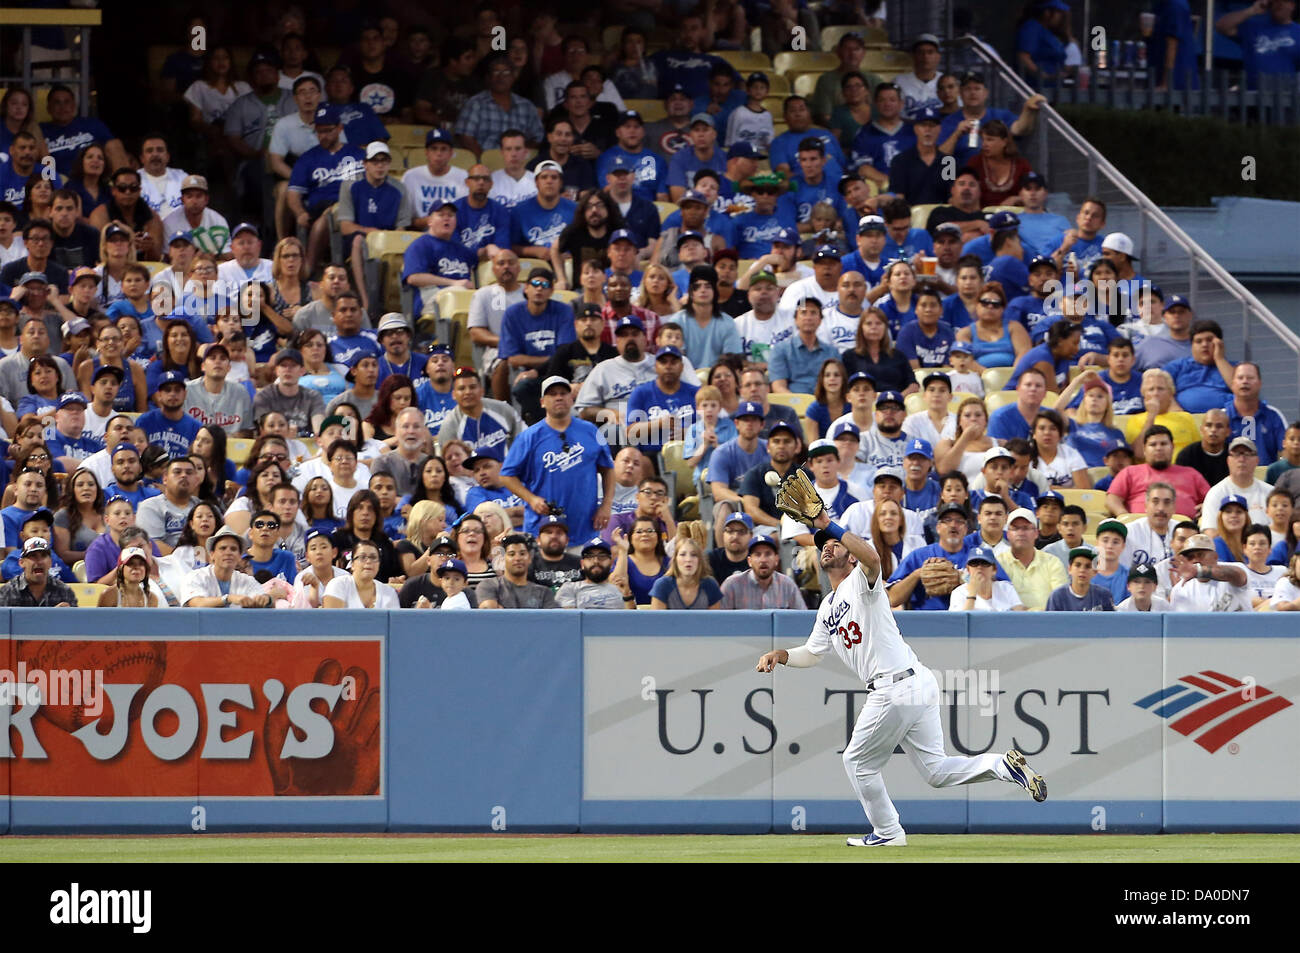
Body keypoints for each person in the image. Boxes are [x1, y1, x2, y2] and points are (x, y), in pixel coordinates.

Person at [756, 507, 1046, 849]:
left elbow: (873, 557)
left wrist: (826, 524)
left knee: (856, 761)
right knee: (936, 772)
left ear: (851, 557)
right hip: (913, 684)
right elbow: (814, 653)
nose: (827, 546)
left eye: (835, 543)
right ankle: (1001, 766)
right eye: (823, 544)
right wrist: (782, 656)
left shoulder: (862, 583)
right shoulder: (828, 605)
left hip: (894, 685)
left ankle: (888, 832)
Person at [500, 376, 614, 541]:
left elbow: (608, 469)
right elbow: (506, 475)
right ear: (542, 402)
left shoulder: (590, 431)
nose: (559, 397)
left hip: (584, 528)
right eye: (552, 394)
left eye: (563, 393)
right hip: (542, 532)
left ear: (571, 399)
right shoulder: (529, 437)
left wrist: (606, 505)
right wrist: (531, 499)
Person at [180, 526, 272, 608]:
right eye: (223, 548)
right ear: (212, 555)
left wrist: (266, 600)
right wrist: (227, 598)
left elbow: (263, 599)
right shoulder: (196, 577)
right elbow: (196, 603)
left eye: (233, 549)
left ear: (240, 556)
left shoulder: (248, 580)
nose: (228, 553)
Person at [1223, 361, 1289, 468]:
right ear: (1232, 384)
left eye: (1250, 378)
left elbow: (1287, 452)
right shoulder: (1222, 417)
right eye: (1240, 378)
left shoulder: (1274, 415)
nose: (1245, 381)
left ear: (1259, 384)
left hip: (1267, 480)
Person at [1166, 533, 1251, 612]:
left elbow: (1235, 574)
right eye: (1190, 557)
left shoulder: (1236, 568)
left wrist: (1199, 571)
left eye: (1200, 555)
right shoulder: (1180, 589)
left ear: (1215, 556)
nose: (1195, 560)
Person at [1200, 437, 1271, 531]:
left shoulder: (1270, 493)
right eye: (1237, 454)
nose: (1241, 459)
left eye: (1247, 454)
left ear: (1257, 461)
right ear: (1228, 461)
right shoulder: (1216, 493)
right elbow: (1210, 532)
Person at [320, 537, 399, 610]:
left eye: (373, 557)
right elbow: (332, 621)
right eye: (362, 557)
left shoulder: (389, 592)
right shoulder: (337, 585)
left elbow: (394, 624)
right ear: (352, 564)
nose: (368, 561)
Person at [648, 535, 722, 609]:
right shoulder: (662, 585)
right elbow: (656, 619)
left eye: (693, 555)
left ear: (700, 560)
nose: (688, 559)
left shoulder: (711, 585)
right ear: (675, 560)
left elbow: (715, 619)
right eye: (683, 554)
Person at [555, 536, 629, 609]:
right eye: (590, 556)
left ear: (610, 563)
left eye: (602, 556)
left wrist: (627, 596)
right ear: (582, 564)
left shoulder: (620, 589)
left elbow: (631, 618)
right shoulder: (569, 588)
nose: (596, 561)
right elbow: (568, 618)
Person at [0, 537, 74, 606]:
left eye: (43, 556)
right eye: (33, 556)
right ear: (21, 563)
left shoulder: (64, 591)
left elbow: (75, 619)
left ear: (50, 562)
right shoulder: (8, 592)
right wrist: (52, 614)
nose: (39, 561)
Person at [610, 517, 668, 606]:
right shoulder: (624, 561)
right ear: (631, 538)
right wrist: (623, 551)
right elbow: (616, 585)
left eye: (650, 531)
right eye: (639, 531)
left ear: (658, 537)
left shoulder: (669, 562)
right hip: (631, 615)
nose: (644, 534)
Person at [1045, 545, 1116, 611]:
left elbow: (1111, 622)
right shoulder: (1057, 596)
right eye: (1077, 565)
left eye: (1088, 566)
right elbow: (1050, 622)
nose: (1082, 570)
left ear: (1095, 572)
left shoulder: (1104, 595)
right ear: (1069, 569)